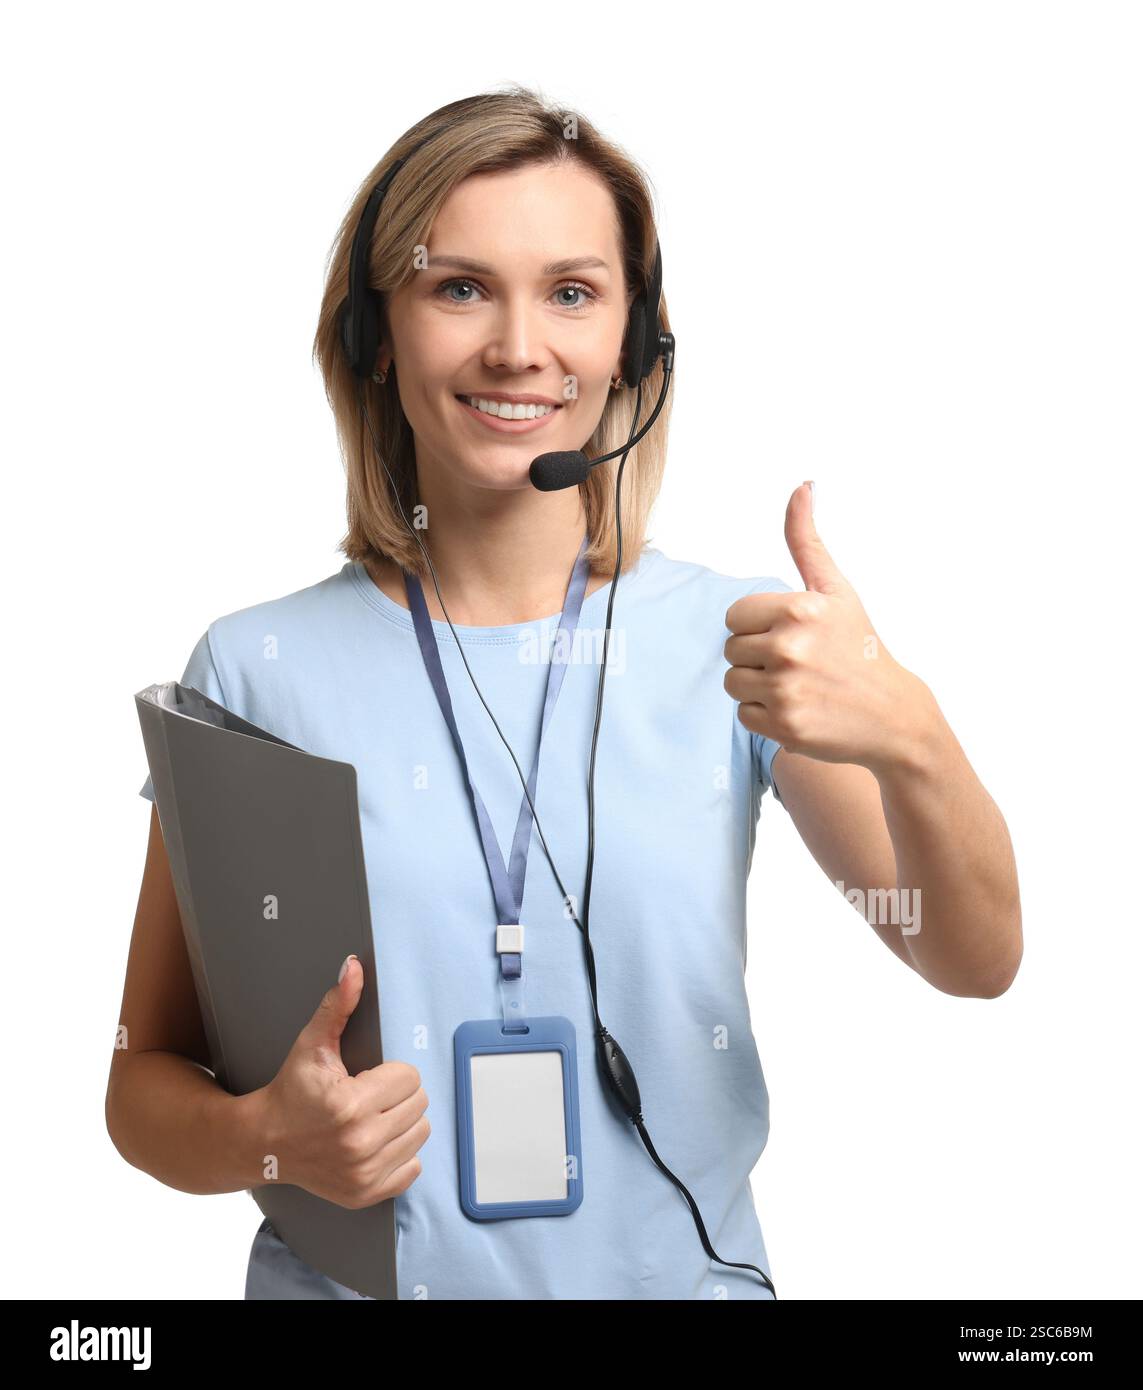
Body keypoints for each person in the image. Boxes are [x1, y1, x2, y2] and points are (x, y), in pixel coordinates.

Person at [106, 86, 1022, 1301]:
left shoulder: (738, 640)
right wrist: (270, 1137)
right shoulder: (254, 671)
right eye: (460, 286)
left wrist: (911, 732)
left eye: (573, 292)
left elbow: (974, 958)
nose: (518, 347)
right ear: (380, 333)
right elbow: (141, 1080)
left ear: (636, 347)